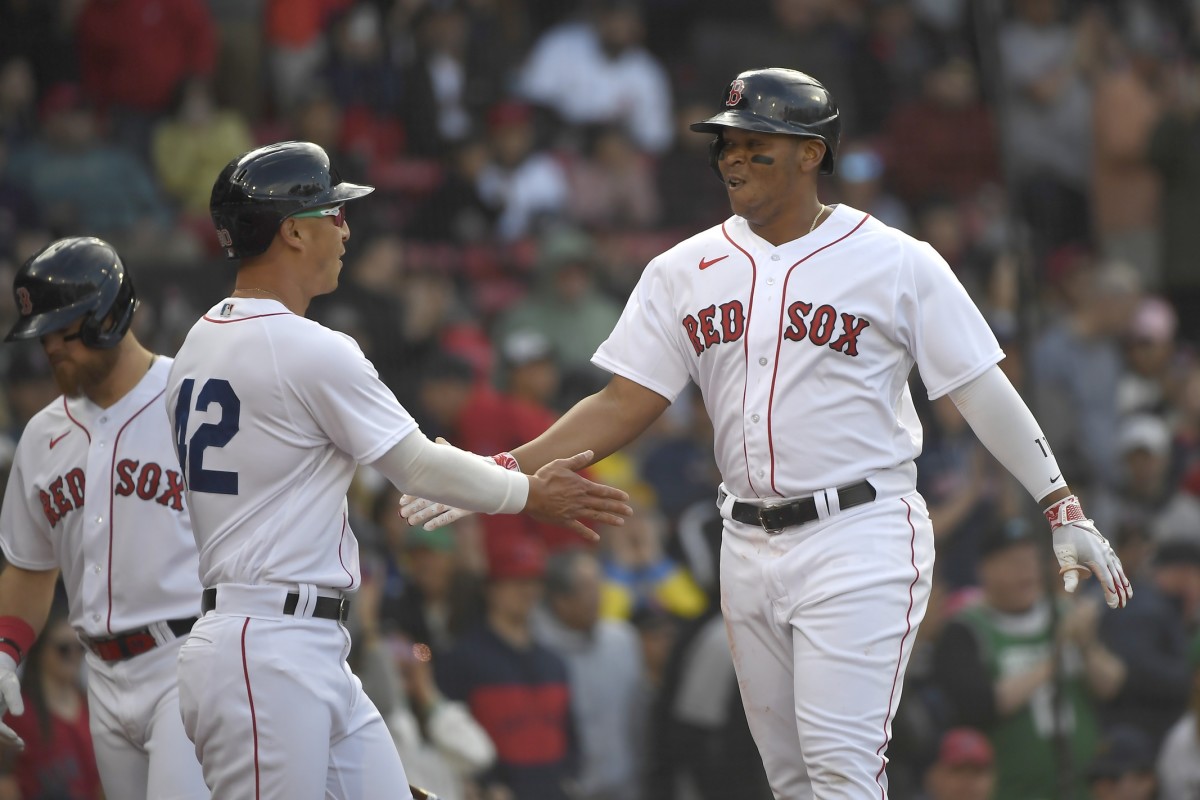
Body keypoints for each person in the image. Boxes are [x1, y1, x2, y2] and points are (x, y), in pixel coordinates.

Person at [401, 68, 1133, 799]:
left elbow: (978, 386)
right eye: (725, 145)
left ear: (811, 153)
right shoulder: (682, 269)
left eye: (756, 145)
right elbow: (625, 401)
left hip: (860, 530)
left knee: (841, 768)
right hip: (746, 541)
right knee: (791, 782)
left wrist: (1060, 503)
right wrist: (495, 471)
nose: (733, 160)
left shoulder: (896, 259)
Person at [166, 140, 631, 800]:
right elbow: (415, 465)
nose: (345, 230)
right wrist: (528, 492)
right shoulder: (307, 346)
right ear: (293, 230)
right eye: (333, 213)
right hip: (265, 645)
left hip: (293, 640)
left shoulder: (195, 342)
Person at [0, 236, 209, 799]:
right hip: (100, 676)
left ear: (109, 316)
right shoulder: (42, 436)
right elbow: (30, 567)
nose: (50, 348)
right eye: (42, 334)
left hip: (187, 659)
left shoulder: (194, 401)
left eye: (63, 331)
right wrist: (4, 652)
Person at [0, 602, 102, 800]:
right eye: (63, 649)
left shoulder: (92, 705)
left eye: (80, 647)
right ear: (40, 650)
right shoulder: (18, 711)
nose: (73, 655)